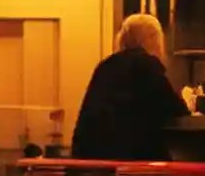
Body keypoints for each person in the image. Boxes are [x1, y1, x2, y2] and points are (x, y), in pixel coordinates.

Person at [72, 13, 190, 161]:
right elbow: (176, 110)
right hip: (132, 162)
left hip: (92, 161)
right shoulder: (147, 66)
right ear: (152, 39)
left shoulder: (106, 66)